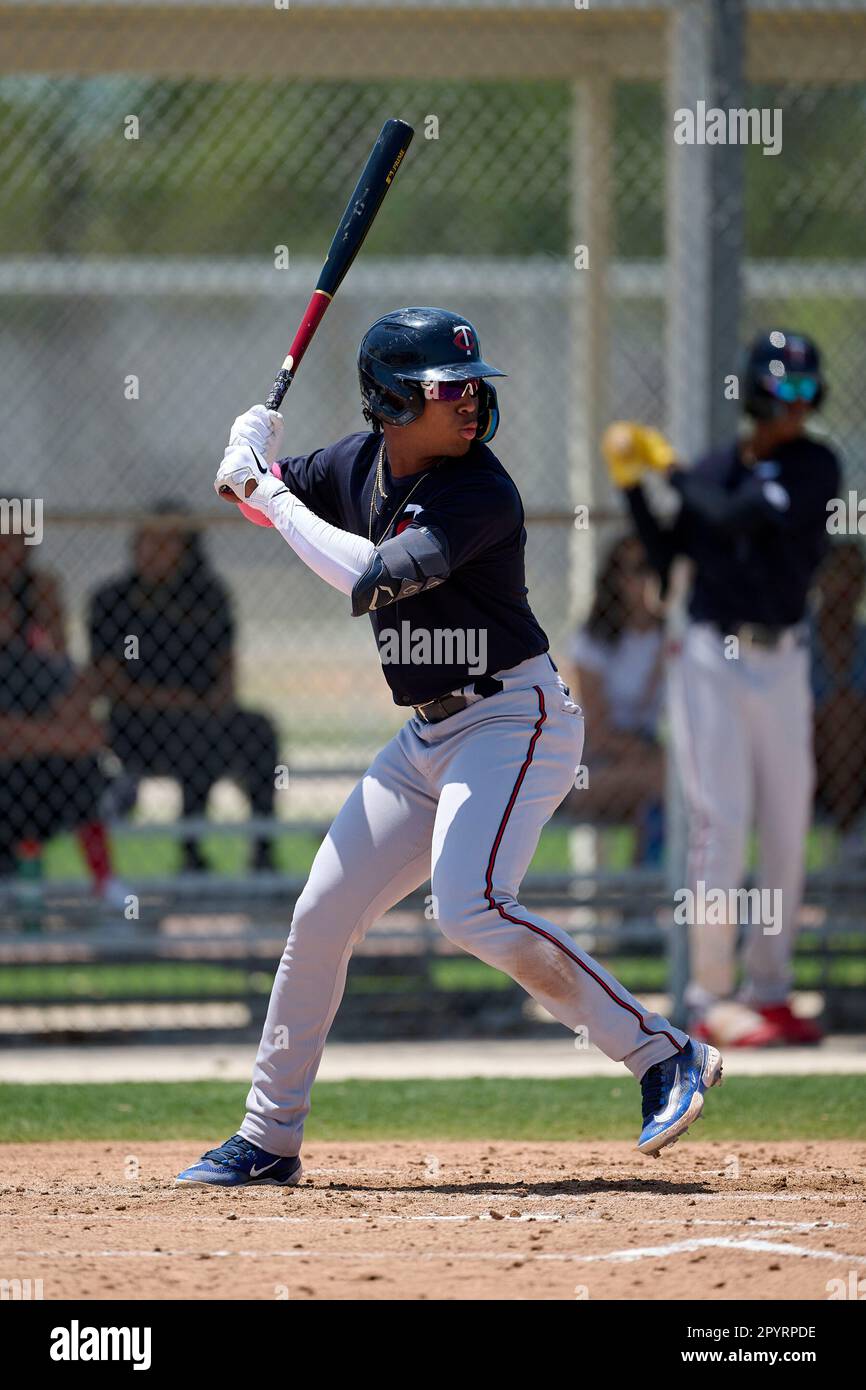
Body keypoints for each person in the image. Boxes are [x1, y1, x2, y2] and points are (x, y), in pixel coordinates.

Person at [176, 306, 722, 1188]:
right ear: (391, 399)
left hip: (515, 718)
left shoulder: (480, 490)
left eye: (474, 386)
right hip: (427, 734)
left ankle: (665, 1054)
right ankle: (267, 1140)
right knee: (319, 918)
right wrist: (250, 469)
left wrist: (267, 491)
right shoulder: (355, 463)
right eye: (447, 389)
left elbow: (365, 574)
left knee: (469, 907)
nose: (470, 402)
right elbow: (270, 514)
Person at [606, 330, 840, 1048]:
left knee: (785, 826)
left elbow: (741, 515)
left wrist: (667, 468)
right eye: (785, 391)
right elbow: (676, 545)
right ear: (758, 392)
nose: (795, 407)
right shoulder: (713, 470)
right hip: (711, 655)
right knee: (723, 822)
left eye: (806, 391)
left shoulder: (813, 466)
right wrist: (630, 488)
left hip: (783, 658)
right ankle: (712, 995)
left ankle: (769, 988)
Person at [88, 503, 280, 874]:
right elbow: (109, 682)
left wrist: (214, 702)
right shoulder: (112, 599)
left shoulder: (207, 597)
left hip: (205, 716)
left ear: (187, 549)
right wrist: (174, 702)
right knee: (195, 733)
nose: (150, 551)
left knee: (258, 729)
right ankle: (190, 851)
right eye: (144, 541)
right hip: (137, 722)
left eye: (164, 543)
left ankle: (263, 850)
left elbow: (226, 669)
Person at [0, 521, 120, 900]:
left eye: (16, 544)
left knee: (82, 771)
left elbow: (89, 732)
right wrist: (59, 737)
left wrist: (31, 736)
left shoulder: (40, 660)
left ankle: (106, 885)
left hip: (46, 766)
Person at [568, 534, 665, 863]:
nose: (647, 579)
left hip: (646, 755)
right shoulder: (593, 640)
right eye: (636, 570)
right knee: (666, 779)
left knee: (663, 789)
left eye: (653, 567)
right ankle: (647, 898)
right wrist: (647, 756)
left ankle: (643, 898)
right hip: (592, 762)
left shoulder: (672, 637)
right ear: (616, 580)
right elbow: (596, 731)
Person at [811, 541, 866, 861]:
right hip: (806, 754)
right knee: (839, 711)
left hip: (858, 756)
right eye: (838, 573)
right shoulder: (796, 639)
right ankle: (846, 841)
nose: (846, 585)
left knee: (847, 711)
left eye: (856, 576)